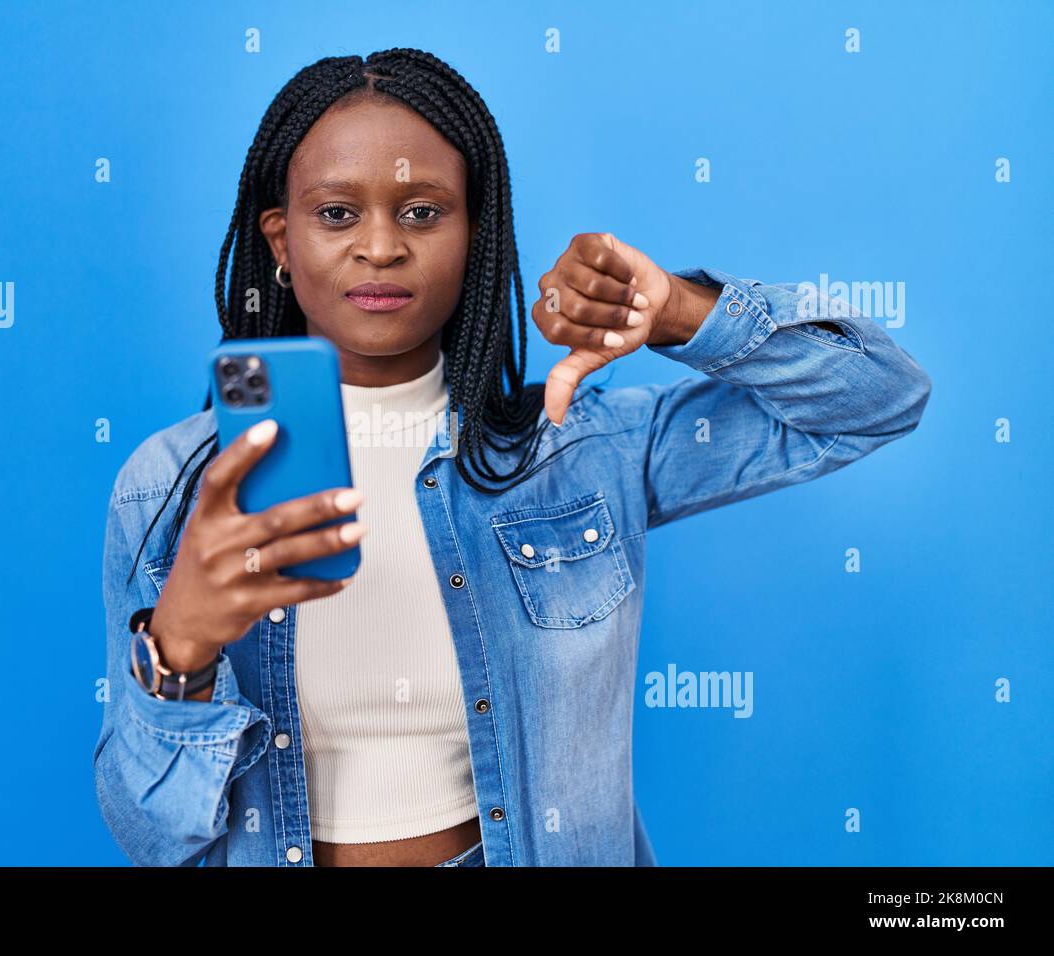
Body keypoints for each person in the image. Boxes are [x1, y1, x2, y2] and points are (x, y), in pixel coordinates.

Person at [94, 48, 932, 867]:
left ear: (473, 235)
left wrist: (676, 308)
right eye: (337, 213)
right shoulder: (167, 492)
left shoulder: (580, 449)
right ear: (281, 238)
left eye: (422, 211)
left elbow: (877, 401)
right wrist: (178, 650)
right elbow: (150, 836)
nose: (380, 247)